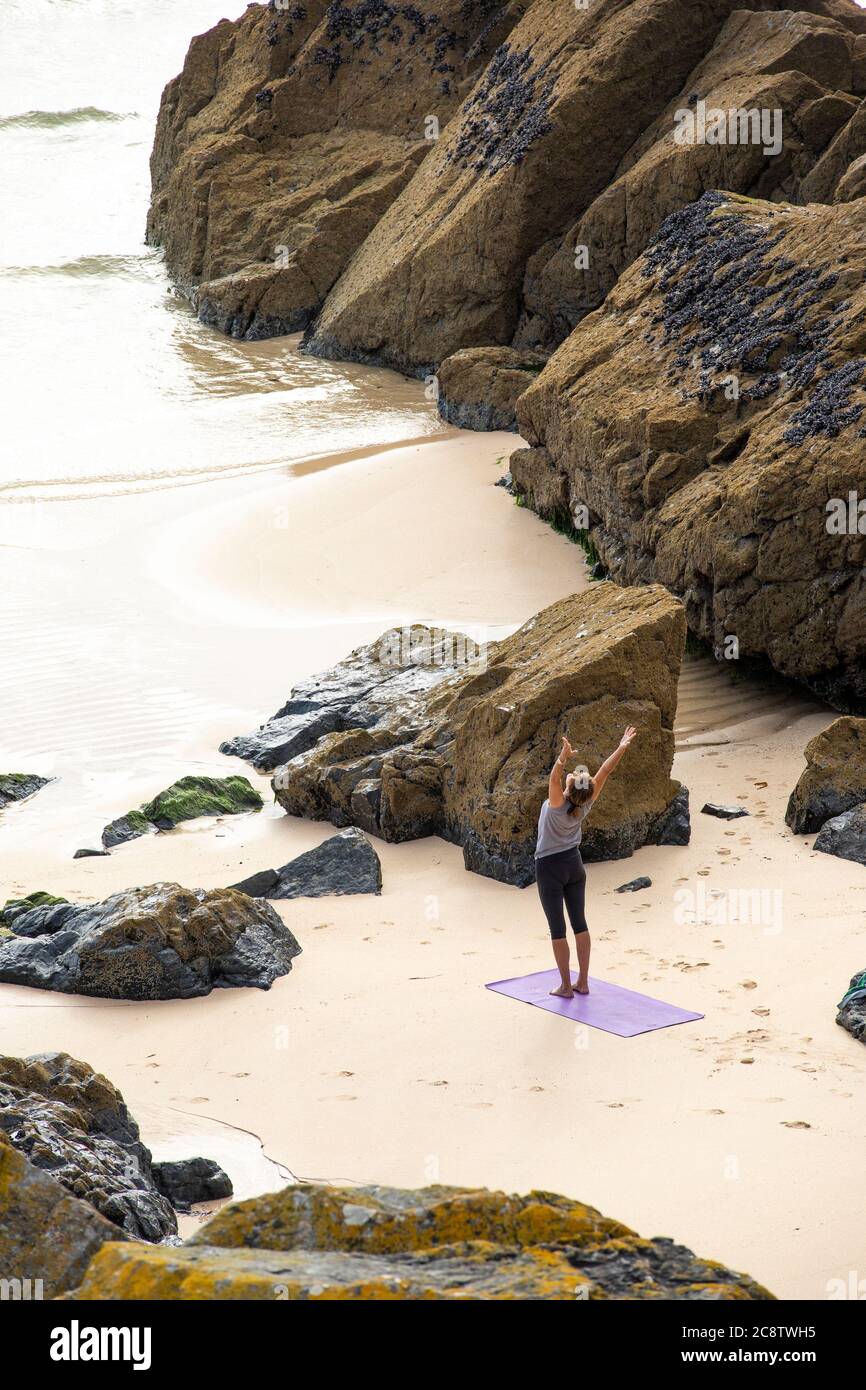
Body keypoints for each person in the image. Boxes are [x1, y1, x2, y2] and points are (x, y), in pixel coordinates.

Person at [535, 726, 637, 998]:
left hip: (549, 869)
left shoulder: (557, 802)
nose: (576, 774)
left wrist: (563, 757)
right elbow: (605, 771)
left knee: (558, 929)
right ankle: (583, 982)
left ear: (570, 787)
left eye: (577, 775)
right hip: (574, 865)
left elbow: (555, 776)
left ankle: (566, 987)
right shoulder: (587, 801)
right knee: (579, 923)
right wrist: (622, 746)